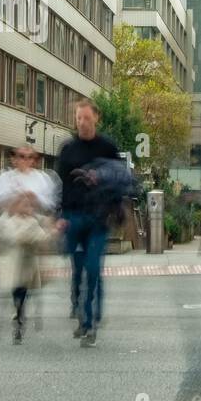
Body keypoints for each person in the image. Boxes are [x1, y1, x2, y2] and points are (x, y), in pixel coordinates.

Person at [57, 98, 124, 347]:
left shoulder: (108, 148)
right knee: (78, 270)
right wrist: (61, 217)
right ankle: (79, 307)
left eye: (86, 118)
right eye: (78, 118)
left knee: (93, 269)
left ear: (96, 117)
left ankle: (90, 322)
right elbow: (62, 186)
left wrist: (115, 208)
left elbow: (119, 180)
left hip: (98, 219)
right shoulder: (68, 150)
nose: (82, 123)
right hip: (74, 218)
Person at [0, 147, 59, 342]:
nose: (26, 160)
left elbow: (49, 203)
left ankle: (24, 303)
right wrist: (15, 201)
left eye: (31, 157)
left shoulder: (41, 178)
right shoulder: (5, 178)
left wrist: (34, 200)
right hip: (12, 227)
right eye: (21, 156)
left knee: (29, 275)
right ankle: (19, 312)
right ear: (14, 159)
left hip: (33, 225)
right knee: (15, 275)